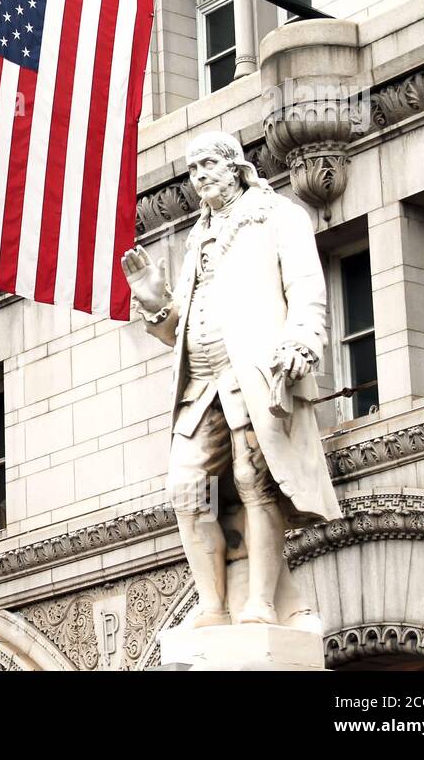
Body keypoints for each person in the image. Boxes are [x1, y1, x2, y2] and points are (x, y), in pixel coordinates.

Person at [121, 131, 342, 627]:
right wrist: (153, 299)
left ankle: (261, 602)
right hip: (201, 385)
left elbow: (306, 288)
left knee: (253, 480)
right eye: (193, 169)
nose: (199, 176)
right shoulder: (197, 235)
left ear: (235, 167)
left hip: (254, 376)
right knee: (187, 489)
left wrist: (301, 342)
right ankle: (213, 605)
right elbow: (176, 327)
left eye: (208, 164)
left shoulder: (277, 215)